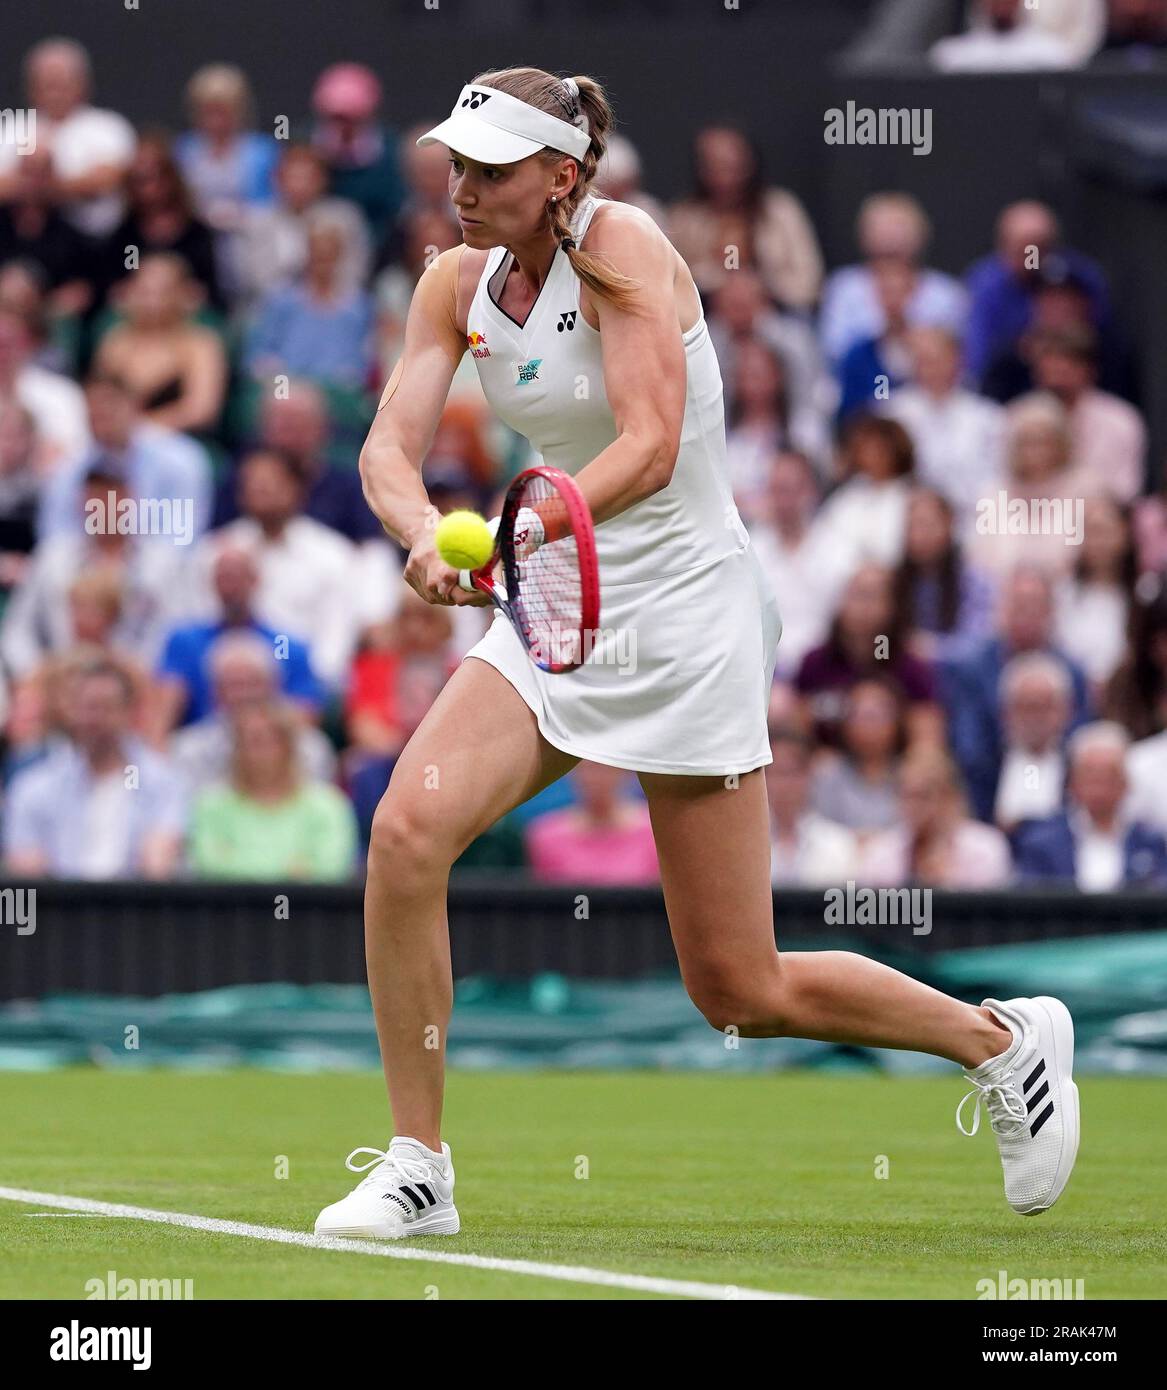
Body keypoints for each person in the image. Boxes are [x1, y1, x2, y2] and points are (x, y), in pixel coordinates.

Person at [313, 66, 1079, 1242]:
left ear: (560, 178)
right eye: (456, 163)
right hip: (561, 609)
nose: (461, 186)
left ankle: (1002, 1041)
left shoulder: (629, 248)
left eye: (490, 167)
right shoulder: (449, 285)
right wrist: (423, 536)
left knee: (739, 986)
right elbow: (387, 453)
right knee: (406, 831)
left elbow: (653, 446)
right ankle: (420, 1164)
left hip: (686, 618)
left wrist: (525, 525)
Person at [2, 656, 185, 878]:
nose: (94, 719)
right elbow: (27, 872)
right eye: (86, 708)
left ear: (127, 712)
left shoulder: (144, 777)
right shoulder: (39, 786)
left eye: (105, 708)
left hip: (132, 905)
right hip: (60, 906)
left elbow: (157, 866)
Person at [189, 697, 357, 881]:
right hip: (230, 909)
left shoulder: (328, 805)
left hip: (302, 909)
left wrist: (237, 860)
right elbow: (208, 865)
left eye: (272, 739)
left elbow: (330, 869)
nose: (261, 751)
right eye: (253, 740)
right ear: (236, 747)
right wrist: (292, 868)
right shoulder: (211, 805)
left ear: (289, 745)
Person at [0, 39, 137, 242]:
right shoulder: (11, 125)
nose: (54, 93)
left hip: (93, 241)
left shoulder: (107, 126)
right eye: (46, 84)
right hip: (20, 241)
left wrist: (38, 186)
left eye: (61, 84)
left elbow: (106, 181)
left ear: (82, 84)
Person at [1013, 721, 1167, 888]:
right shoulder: (1041, 844)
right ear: (1072, 783)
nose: (1100, 788)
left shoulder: (1150, 842)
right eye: (1090, 777)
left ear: (1126, 783)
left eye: (1109, 777)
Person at [858, 746, 1013, 889]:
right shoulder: (881, 853)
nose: (912, 807)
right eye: (905, 796)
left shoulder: (986, 848)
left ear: (949, 798)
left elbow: (989, 913)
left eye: (922, 797)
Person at [525, 761, 659, 885]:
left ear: (623, 771)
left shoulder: (655, 831)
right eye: (589, 769)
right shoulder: (545, 835)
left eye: (605, 769)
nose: (596, 778)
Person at [765, 727, 858, 886]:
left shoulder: (839, 844)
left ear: (809, 775)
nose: (784, 785)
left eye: (792, 772)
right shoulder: (746, 846)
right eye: (776, 773)